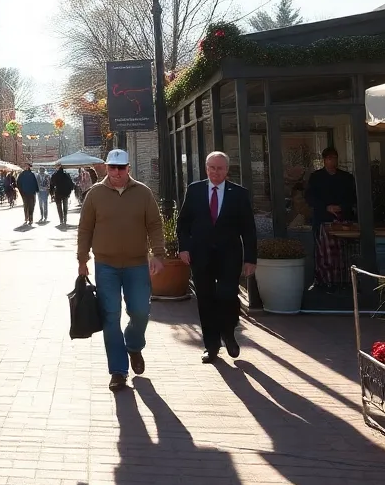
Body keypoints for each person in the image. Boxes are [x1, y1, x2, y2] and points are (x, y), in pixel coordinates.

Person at [76, 149, 165, 391]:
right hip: (106, 265)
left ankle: (134, 346)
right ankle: (118, 370)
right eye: (112, 167)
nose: (116, 172)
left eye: (121, 167)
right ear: (106, 167)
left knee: (139, 311)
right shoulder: (95, 194)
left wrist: (158, 254)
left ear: (128, 168)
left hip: (136, 264)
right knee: (110, 316)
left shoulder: (143, 193)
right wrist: (82, 259)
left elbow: (155, 225)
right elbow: (85, 229)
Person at [176, 151, 258, 363]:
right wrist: (183, 248)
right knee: (205, 299)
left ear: (227, 170)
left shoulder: (238, 194)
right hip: (201, 254)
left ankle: (228, 333)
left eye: (219, 168)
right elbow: (183, 223)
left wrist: (250, 258)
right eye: (211, 167)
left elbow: (248, 229)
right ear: (206, 168)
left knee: (227, 295)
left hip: (229, 255)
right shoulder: (194, 191)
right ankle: (211, 346)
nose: (215, 172)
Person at [304, 147, 357, 287]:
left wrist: (341, 207)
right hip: (323, 220)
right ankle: (325, 280)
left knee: (343, 254)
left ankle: (344, 280)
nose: (333, 161)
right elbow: (310, 197)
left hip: (343, 219)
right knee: (325, 255)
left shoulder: (346, 177)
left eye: (335, 158)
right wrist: (326, 207)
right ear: (324, 160)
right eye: (329, 158)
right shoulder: (316, 177)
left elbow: (353, 197)